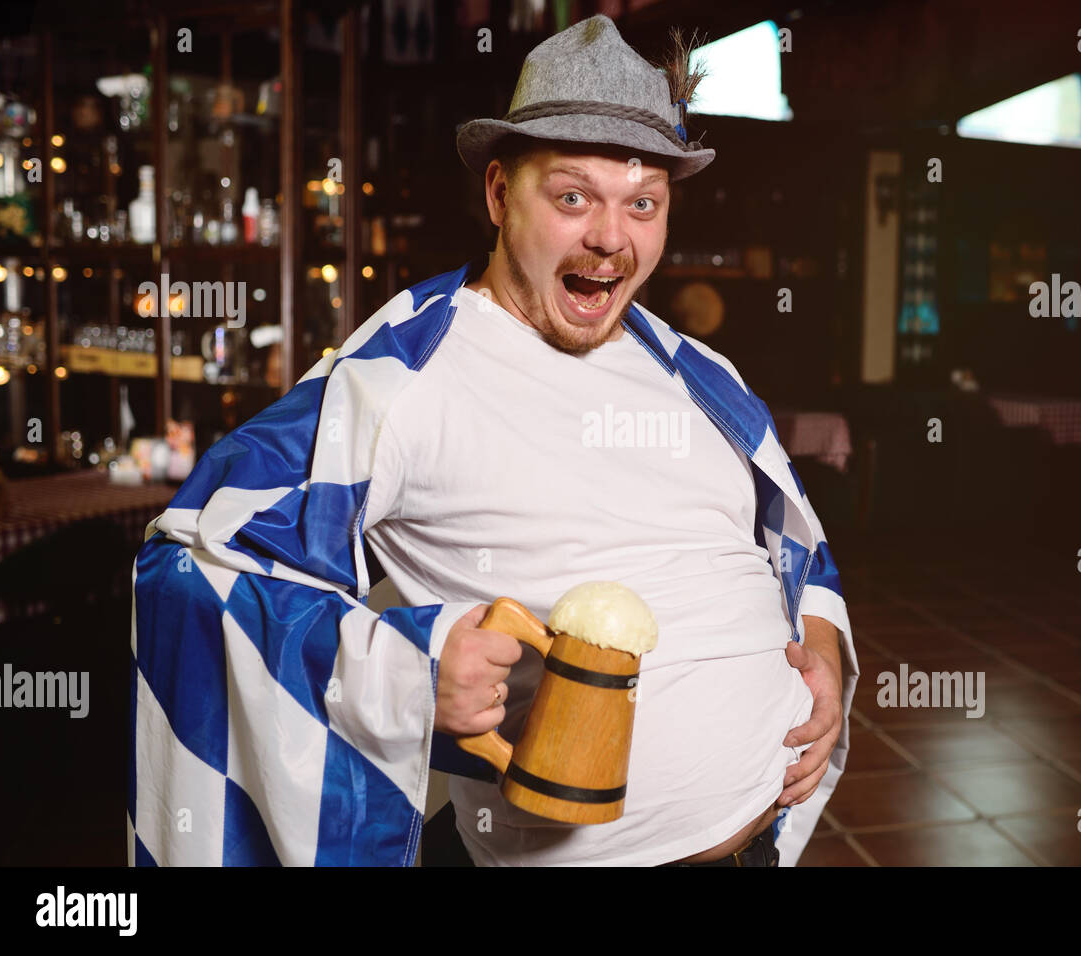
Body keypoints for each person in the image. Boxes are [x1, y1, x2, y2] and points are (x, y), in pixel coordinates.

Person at [129, 13, 858, 868]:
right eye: (574, 195)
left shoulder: (697, 371)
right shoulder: (400, 374)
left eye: (644, 203)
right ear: (500, 192)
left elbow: (793, 538)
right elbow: (190, 561)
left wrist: (827, 649)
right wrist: (406, 667)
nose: (611, 237)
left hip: (756, 844)